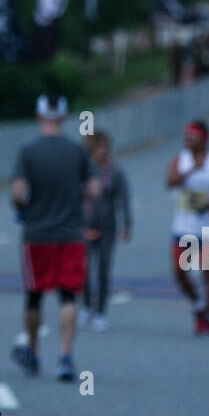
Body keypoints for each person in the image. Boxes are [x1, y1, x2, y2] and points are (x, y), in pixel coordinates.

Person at [10, 95, 101, 381]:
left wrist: (23, 208)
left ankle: (33, 353)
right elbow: (95, 190)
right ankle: (65, 357)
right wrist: (75, 196)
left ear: (39, 117)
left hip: (37, 235)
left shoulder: (28, 152)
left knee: (34, 296)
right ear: (62, 117)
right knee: (68, 296)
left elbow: (18, 193)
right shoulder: (77, 152)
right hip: (72, 233)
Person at [166, 120, 209, 335]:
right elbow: (169, 182)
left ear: (204, 139)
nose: (187, 140)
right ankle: (198, 304)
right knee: (179, 271)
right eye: (185, 136)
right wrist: (190, 171)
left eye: (192, 136)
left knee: (208, 274)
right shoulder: (181, 159)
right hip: (182, 227)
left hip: (208, 228)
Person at [81, 130, 131, 332]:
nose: (104, 151)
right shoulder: (83, 171)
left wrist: (127, 225)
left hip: (107, 227)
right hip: (84, 226)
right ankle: (86, 306)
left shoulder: (115, 172)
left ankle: (100, 312)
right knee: (83, 270)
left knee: (103, 269)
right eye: (100, 147)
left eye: (106, 147)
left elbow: (124, 199)